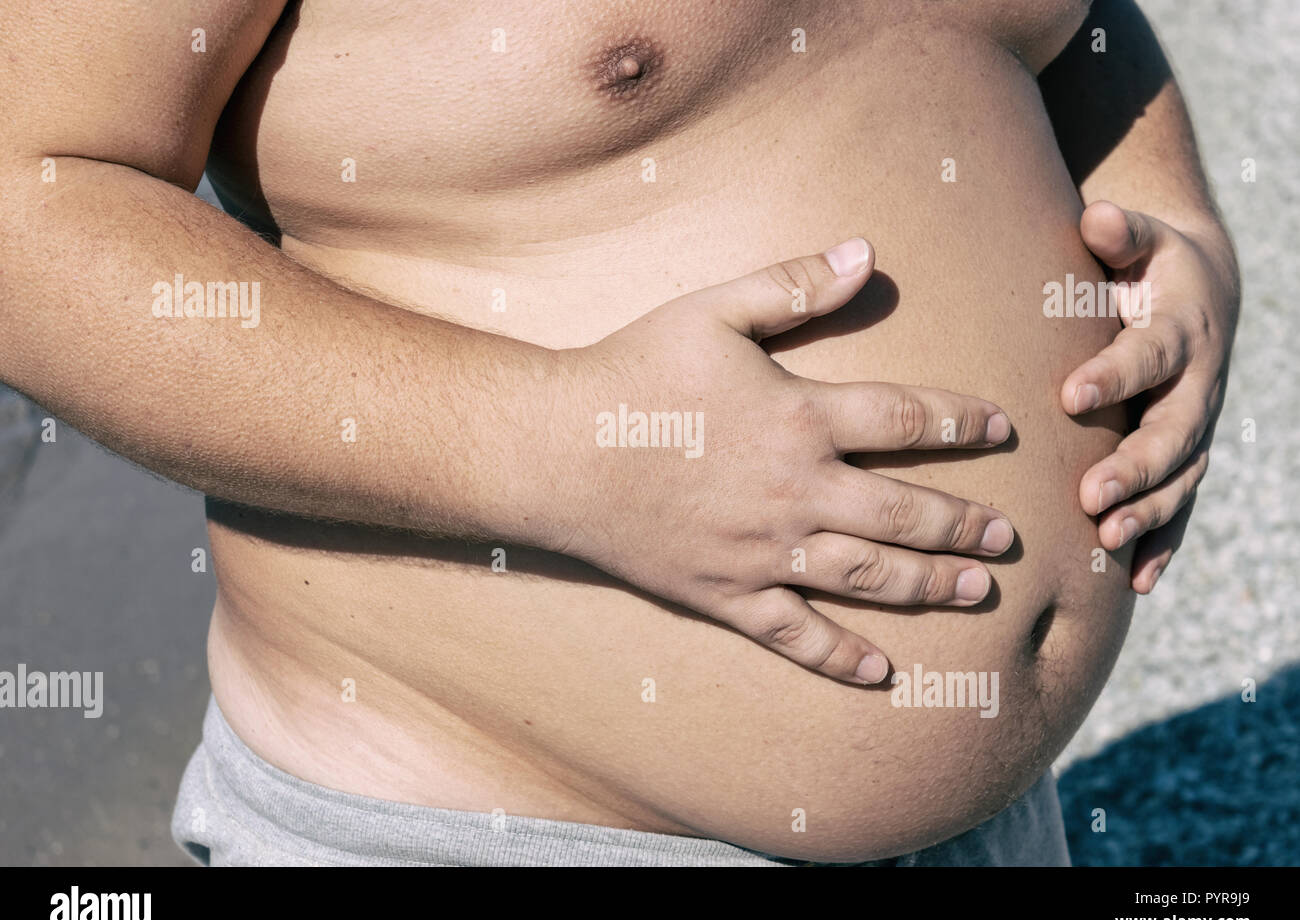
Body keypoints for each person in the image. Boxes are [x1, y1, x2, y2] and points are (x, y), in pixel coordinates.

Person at [0, 0, 1238, 865]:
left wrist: (1169, 211)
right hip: (487, 819)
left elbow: (1042, 21)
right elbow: (29, 204)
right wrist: (565, 448)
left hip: (1000, 827)